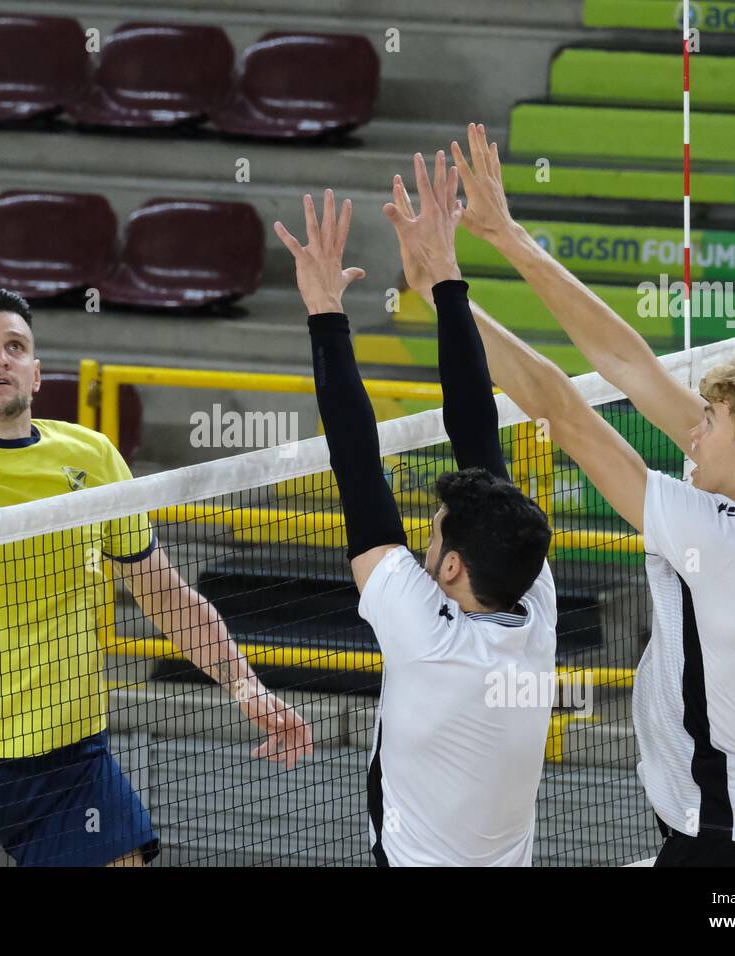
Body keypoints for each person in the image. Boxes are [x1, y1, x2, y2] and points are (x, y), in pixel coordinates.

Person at [0, 166, 313, 868]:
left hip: (68, 763)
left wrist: (245, 685)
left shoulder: (93, 457)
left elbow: (164, 594)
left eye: (14, 345)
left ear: (38, 372)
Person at [429, 124, 735, 865]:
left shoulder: (722, 539)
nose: (691, 428)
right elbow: (629, 366)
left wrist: (446, 294)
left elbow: (566, 416)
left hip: (726, 847)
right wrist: (510, 237)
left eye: (708, 421)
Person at [274, 186, 556, 866]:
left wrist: (324, 309)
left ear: (453, 567)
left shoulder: (430, 634)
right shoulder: (531, 599)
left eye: (433, 529)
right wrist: (441, 281)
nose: (424, 535)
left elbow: (357, 457)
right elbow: (466, 435)